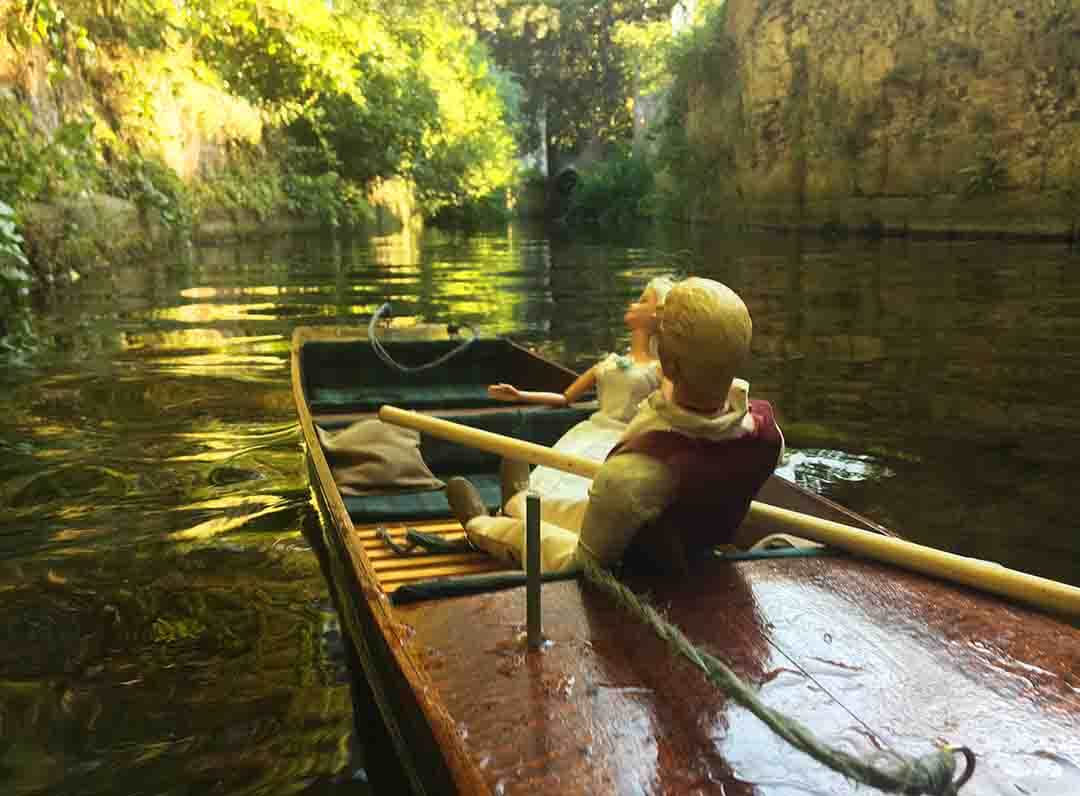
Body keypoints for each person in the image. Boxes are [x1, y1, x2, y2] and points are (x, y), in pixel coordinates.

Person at [446, 276, 785, 575]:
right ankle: (518, 502)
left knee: (546, 540)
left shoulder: (634, 473)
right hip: (682, 536)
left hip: (634, 562)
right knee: (571, 508)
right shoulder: (769, 437)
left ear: (666, 363)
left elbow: (586, 565)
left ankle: (481, 526)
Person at [487, 275, 674, 510]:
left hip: (623, 437)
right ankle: (521, 512)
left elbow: (669, 407)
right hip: (589, 431)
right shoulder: (610, 362)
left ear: (657, 313)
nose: (632, 305)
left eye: (642, 301)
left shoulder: (659, 369)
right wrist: (520, 395)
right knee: (553, 477)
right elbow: (566, 398)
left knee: (585, 486)